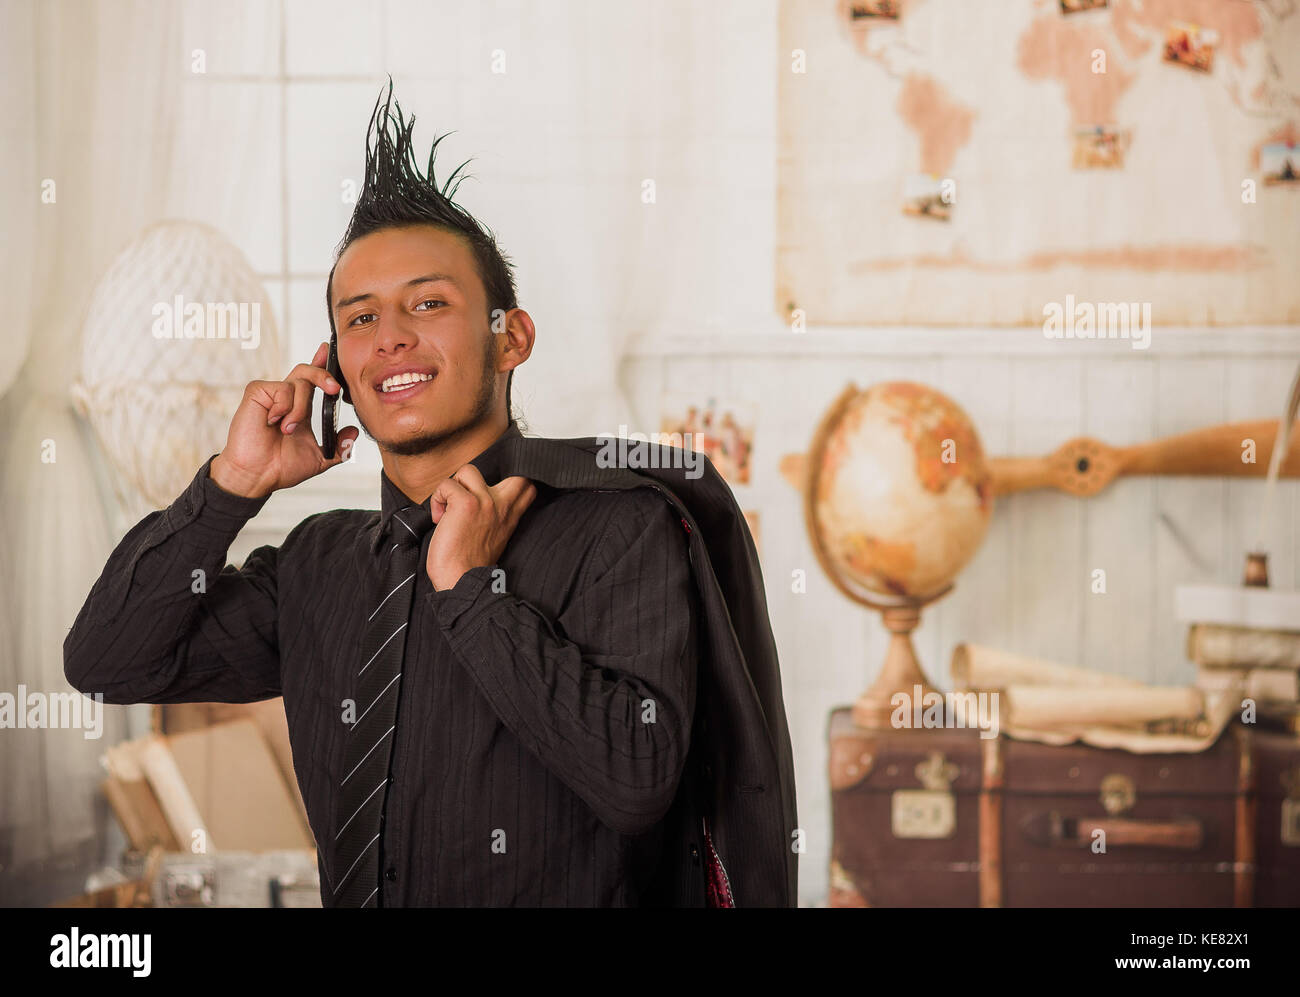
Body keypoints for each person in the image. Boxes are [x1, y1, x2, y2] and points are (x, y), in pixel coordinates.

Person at [65, 81, 797, 907]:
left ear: (510, 336)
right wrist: (232, 485)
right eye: (361, 318)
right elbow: (105, 660)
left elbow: (636, 779)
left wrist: (475, 597)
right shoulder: (316, 564)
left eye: (430, 303)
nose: (393, 338)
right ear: (336, 368)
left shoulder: (621, 529)